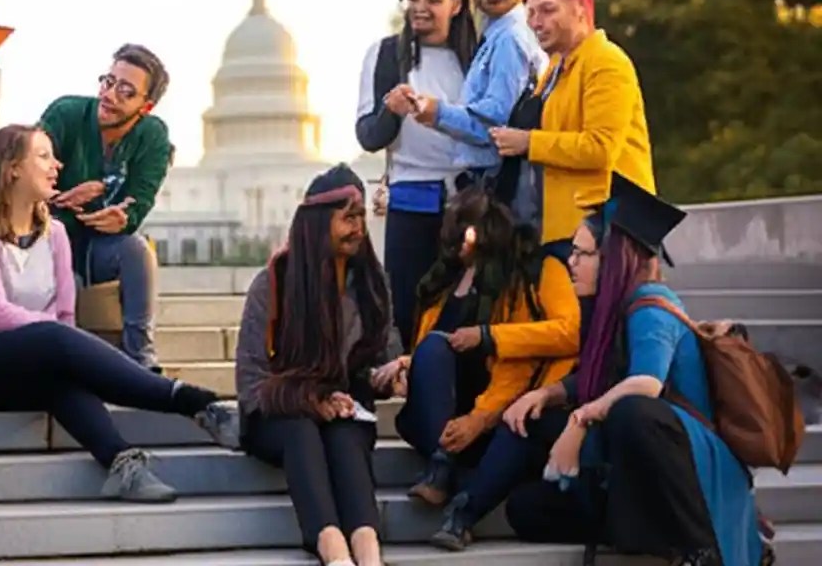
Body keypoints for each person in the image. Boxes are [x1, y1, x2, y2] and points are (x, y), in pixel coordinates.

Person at [0, 124, 230, 503]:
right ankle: (190, 401)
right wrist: (57, 338)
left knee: (61, 372)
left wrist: (60, 344)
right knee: (56, 342)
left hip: (30, 356)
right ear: (12, 168)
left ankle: (122, 464)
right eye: (43, 156)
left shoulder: (54, 233)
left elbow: (65, 317)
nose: (57, 165)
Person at [500, 173, 762, 565]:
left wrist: (581, 418)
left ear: (613, 260)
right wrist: (547, 393)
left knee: (632, 411)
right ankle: (640, 530)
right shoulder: (610, 312)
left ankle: (700, 549)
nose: (570, 263)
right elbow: (602, 375)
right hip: (632, 469)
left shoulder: (650, 307)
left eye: (582, 254)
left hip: (691, 471)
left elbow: (646, 384)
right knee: (525, 508)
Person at [390, 186, 579, 550]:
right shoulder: (448, 281)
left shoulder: (538, 270)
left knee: (519, 423)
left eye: (462, 233)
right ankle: (443, 465)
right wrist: (403, 366)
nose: (454, 246)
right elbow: (439, 348)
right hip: (445, 424)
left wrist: (488, 338)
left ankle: (462, 508)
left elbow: (569, 333)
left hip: (501, 415)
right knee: (433, 346)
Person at [234, 164, 400, 566]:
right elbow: (252, 384)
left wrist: (392, 373)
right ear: (316, 224)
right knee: (303, 432)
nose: (358, 228)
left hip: (344, 406)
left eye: (361, 217)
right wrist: (310, 400)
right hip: (279, 413)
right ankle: (335, 555)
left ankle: (369, 555)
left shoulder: (371, 284)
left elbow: (382, 358)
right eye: (347, 218)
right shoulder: (273, 283)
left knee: (346, 435)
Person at [354, 0, 477, 352]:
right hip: (412, 199)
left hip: (470, 199)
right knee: (409, 308)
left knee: (468, 310)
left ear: (457, 4)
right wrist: (392, 111)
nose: (419, 8)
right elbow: (368, 136)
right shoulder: (387, 56)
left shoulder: (479, 55)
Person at [489, 0, 655, 260]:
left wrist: (529, 143)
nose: (536, 23)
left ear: (580, 10)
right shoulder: (555, 67)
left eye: (548, 10)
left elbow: (600, 149)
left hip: (603, 233)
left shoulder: (606, 62)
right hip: (561, 229)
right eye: (530, 14)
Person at [39, 44, 172, 370]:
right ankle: (60, 357)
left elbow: (140, 198)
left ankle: (140, 359)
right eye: (108, 82)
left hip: (100, 246)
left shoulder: (153, 136)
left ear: (146, 106)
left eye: (126, 91)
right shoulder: (66, 114)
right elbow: (25, 170)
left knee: (136, 249)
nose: (110, 95)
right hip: (46, 237)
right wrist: (57, 194)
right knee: (63, 270)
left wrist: (122, 215)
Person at [411, 0, 551, 185]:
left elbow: (494, 125)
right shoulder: (498, 33)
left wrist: (435, 111)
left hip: (498, 186)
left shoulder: (511, 37)